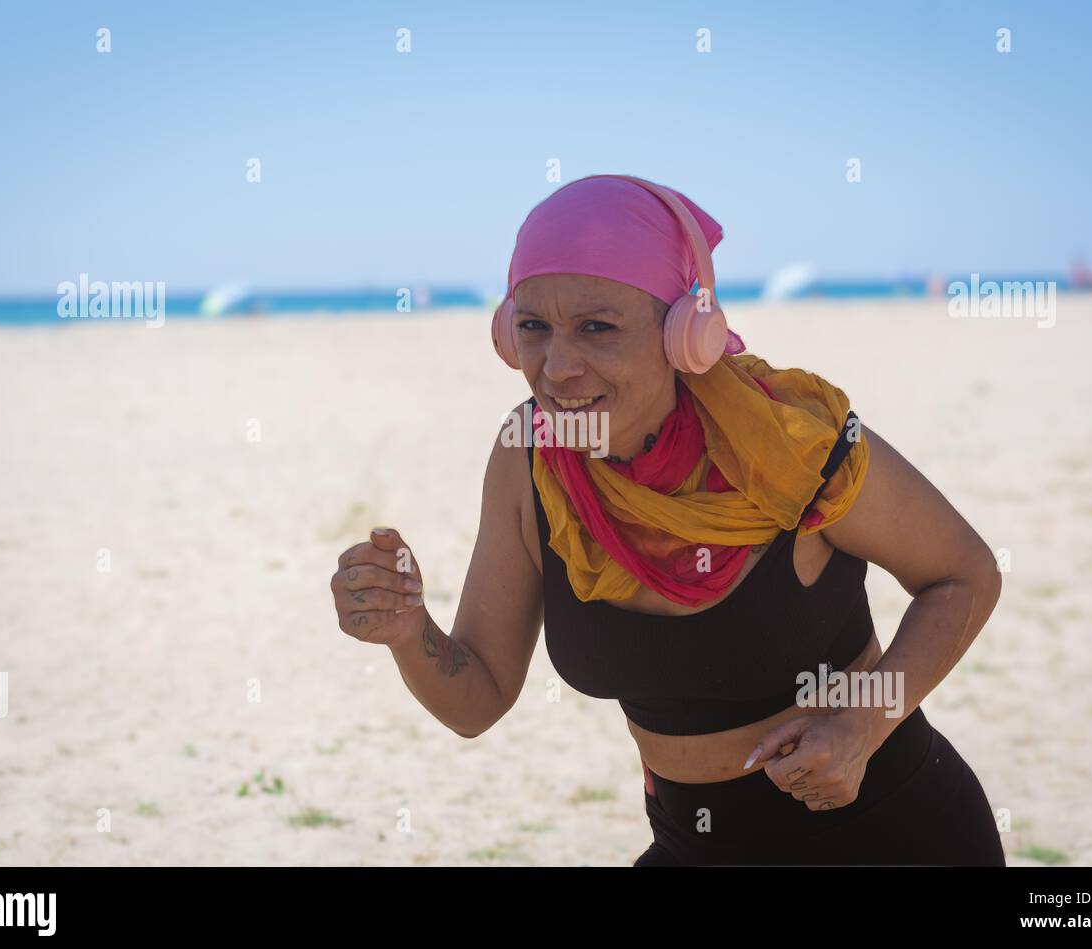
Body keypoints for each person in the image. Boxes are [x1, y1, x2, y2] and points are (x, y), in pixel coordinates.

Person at [332, 174, 1006, 866]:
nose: (558, 366)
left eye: (598, 327)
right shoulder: (527, 458)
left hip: (891, 834)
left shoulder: (791, 444)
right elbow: (479, 700)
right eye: (533, 327)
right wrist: (409, 634)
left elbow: (964, 574)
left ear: (686, 332)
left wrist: (862, 727)